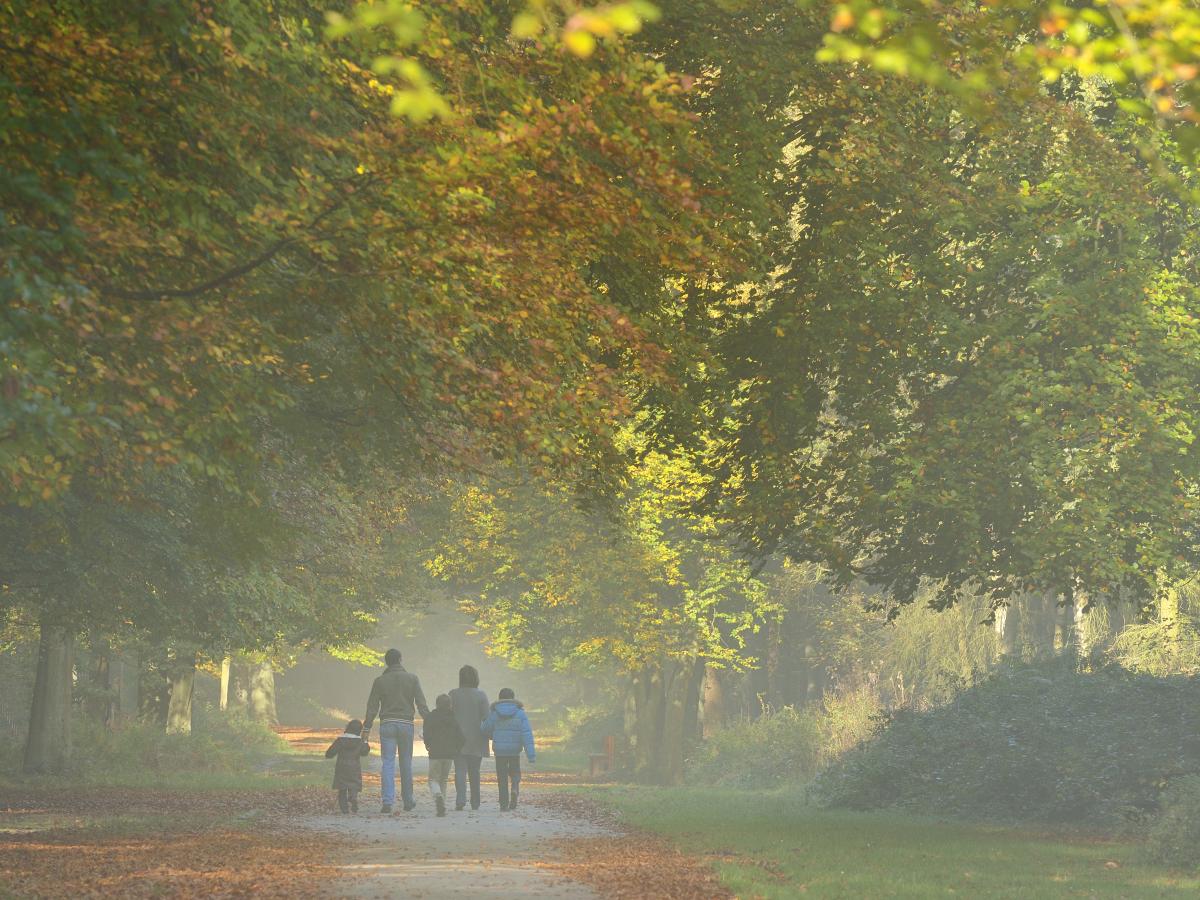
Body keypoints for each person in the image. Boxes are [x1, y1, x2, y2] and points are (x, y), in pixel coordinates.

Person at [362, 648, 430, 814]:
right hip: (406, 724)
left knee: (388, 763)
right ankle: (408, 800)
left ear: (387, 661)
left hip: (387, 724)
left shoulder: (380, 681)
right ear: (400, 659)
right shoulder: (412, 679)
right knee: (406, 763)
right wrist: (430, 722)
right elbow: (421, 704)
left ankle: (387, 801)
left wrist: (367, 727)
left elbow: (372, 706)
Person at [482, 687, 535, 811]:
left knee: (502, 776)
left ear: (500, 698)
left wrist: (490, 732)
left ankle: (504, 803)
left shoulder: (494, 713)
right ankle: (515, 788)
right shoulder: (520, 713)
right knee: (515, 772)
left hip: (500, 751)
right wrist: (531, 755)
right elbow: (526, 734)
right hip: (514, 750)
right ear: (513, 698)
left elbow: (485, 729)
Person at [449, 664, 489, 811]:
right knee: (474, 771)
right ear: (475, 678)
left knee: (459, 770)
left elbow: (448, 715)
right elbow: (487, 717)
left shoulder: (453, 694)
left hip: (457, 738)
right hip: (476, 738)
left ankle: (460, 799)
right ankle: (475, 802)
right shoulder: (481, 695)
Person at [422, 694, 465, 816]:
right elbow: (461, 738)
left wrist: (428, 744)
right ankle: (443, 805)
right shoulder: (453, 718)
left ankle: (437, 796)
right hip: (449, 755)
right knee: (444, 779)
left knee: (433, 779)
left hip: (435, 753)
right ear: (450, 705)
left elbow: (426, 733)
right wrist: (456, 749)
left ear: (436, 704)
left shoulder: (431, 717)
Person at [325, 718, 370, 814]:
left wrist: (328, 755)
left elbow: (330, 753)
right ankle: (353, 797)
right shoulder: (360, 742)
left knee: (342, 788)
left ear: (348, 728)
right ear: (359, 730)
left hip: (341, 767)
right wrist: (365, 741)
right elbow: (364, 753)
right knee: (353, 785)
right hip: (355, 767)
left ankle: (344, 809)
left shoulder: (340, 740)